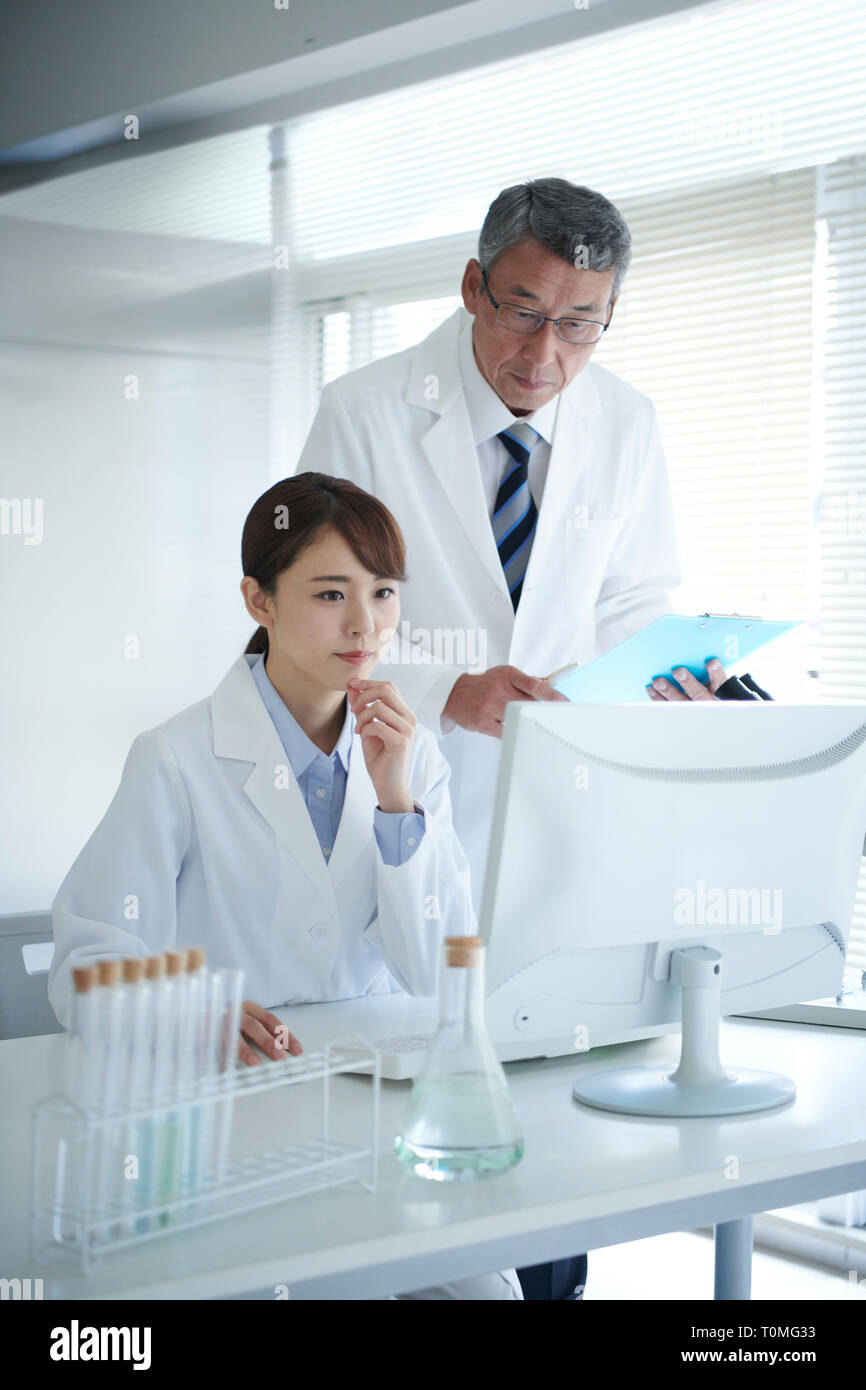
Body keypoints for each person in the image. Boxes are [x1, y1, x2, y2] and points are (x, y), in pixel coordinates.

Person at [297, 176, 685, 1300]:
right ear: (472, 286)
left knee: (551, 1117)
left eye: (579, 323)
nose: (544, 351)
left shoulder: (626, 421)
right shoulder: (365, 409)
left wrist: (662, 681)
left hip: (556, 815)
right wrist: (442, 686)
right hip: (400, 796)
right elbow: (314, 610)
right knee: (416, 1131)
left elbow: (636, 605)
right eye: (521, 309)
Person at [48, 471, 522, 1301]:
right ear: (257, 601)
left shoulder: (412, 752)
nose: (365, 625)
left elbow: (437, 969)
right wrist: (195, 1012)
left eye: (382, 593)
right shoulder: (178, 757)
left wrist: (397, 799)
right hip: (232, 1111)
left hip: (382, 1102)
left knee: (480, 1288)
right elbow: (86, 963)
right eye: (330, 593)